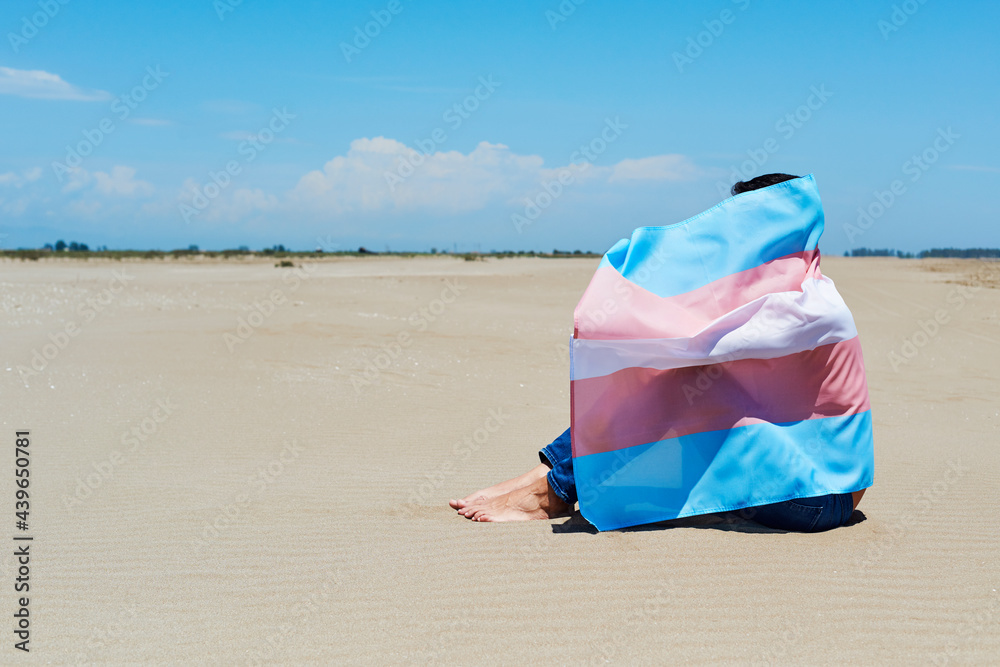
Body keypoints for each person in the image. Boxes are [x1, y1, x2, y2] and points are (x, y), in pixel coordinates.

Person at [450, 173, 868, 532]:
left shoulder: (811, 306)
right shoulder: (790, 291)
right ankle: (548, 476)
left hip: (819, 495)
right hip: (795, 474)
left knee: (686, 389)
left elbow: (699, 346)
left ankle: (552, 490)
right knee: (680, 387)